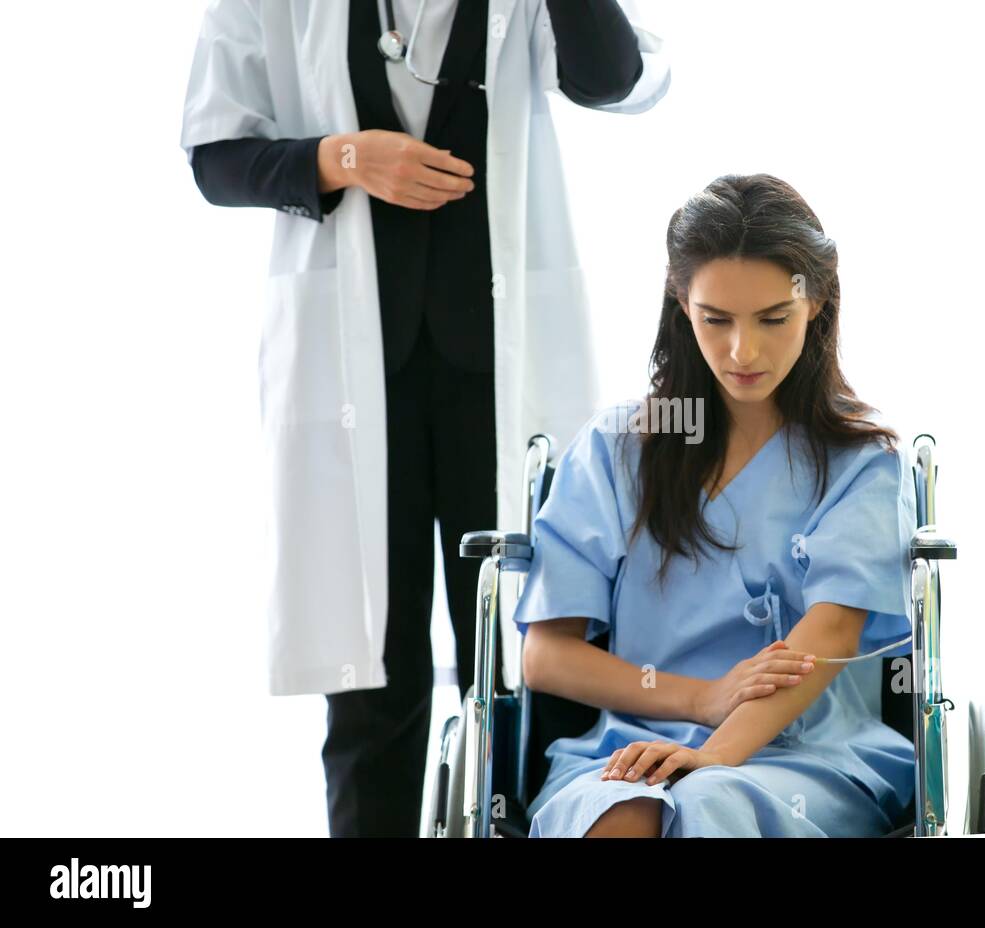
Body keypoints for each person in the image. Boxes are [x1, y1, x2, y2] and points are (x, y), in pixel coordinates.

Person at [179, 0, 670, 837]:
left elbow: (615, 76)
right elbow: (215, 154)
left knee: (533, 674)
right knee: (373, 685)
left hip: (505, 380)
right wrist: (341, 159)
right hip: (353, 385)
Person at [513, 174, 919, 837]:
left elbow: (831, 634)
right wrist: (699, 701)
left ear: (814, 303)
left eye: (773, 319)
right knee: (623, 810)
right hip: (627, 741)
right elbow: (547, 657)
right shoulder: (620, 447)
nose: (743, 352)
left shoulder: (861, 460)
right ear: (681, 302)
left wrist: (712, 754)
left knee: (708, 806)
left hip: (805, 754)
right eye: (716, 319)